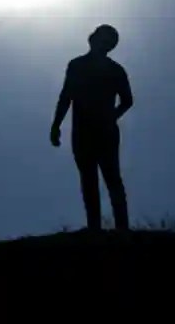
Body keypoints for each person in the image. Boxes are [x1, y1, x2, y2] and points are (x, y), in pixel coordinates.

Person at [50, 24, 134, 231]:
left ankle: (120, 228)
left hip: (101, 131)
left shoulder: (114, 70)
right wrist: (56, 124)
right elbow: (66, 96)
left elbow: (127, 100)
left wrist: (111, 117)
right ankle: (96, 227)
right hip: (83, 130)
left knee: (110, 177)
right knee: (90, 179)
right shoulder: (78, 65)